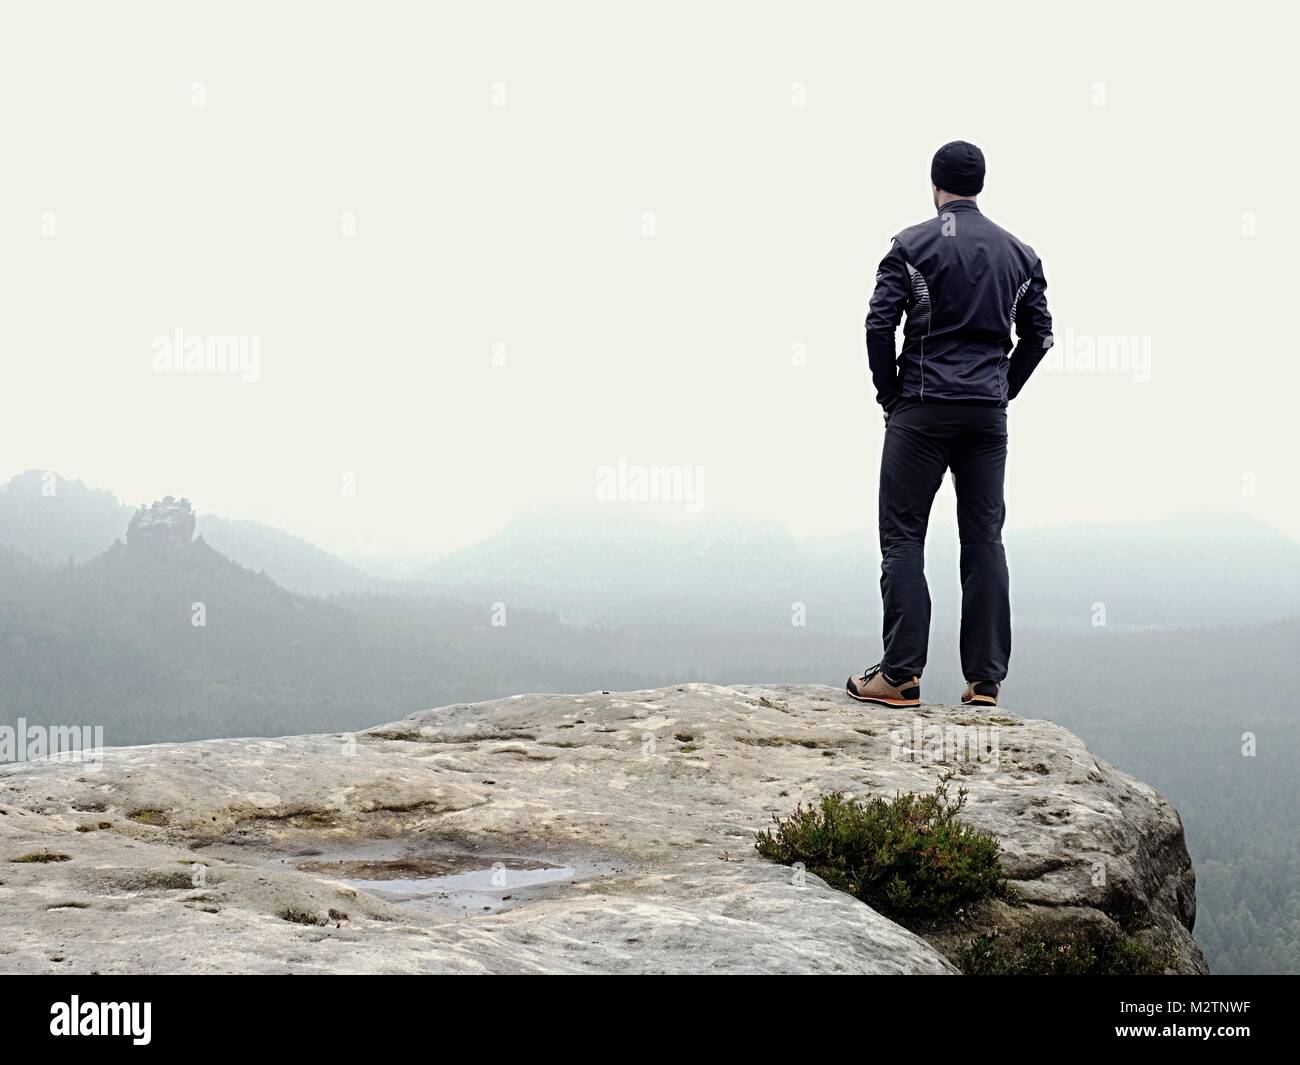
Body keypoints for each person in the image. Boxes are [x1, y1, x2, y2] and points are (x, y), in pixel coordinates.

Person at [847, 140, 1053, 709]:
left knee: (904, 535)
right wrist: (1000, 389)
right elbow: (1039, 334)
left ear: (934, 185)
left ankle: (900, 676)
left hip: (921, 408)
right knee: (984, 538)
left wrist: (890, 394)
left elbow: (877, 324)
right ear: (980, 186)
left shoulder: (911, 245)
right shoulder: (1020, 253)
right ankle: (984, 681)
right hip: (986, 414)